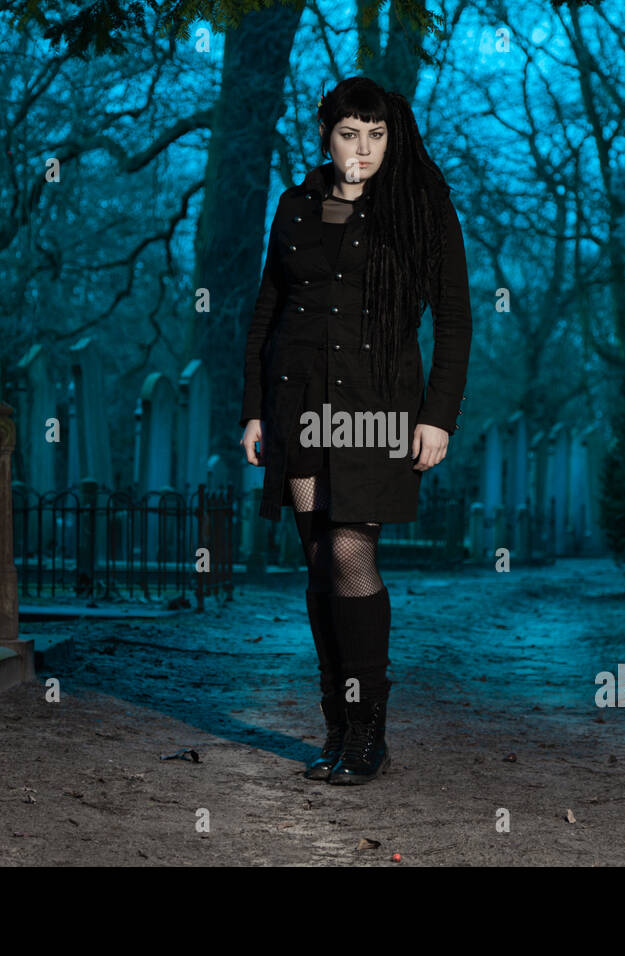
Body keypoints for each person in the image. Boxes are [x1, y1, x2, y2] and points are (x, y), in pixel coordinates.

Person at [238, 76, 471, 785]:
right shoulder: (296, 206)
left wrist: (437, 416)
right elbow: (265, 314)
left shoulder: (419, 208)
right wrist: (253, 410)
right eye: (349, 133)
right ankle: (337, 726)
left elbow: (456, 319)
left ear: (391, 139)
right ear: (326, 134)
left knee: (348, 554)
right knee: (316, 562)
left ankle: (369, 732)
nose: (361, 148)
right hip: (300, 409)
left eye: (375, 134)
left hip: (376, 412)